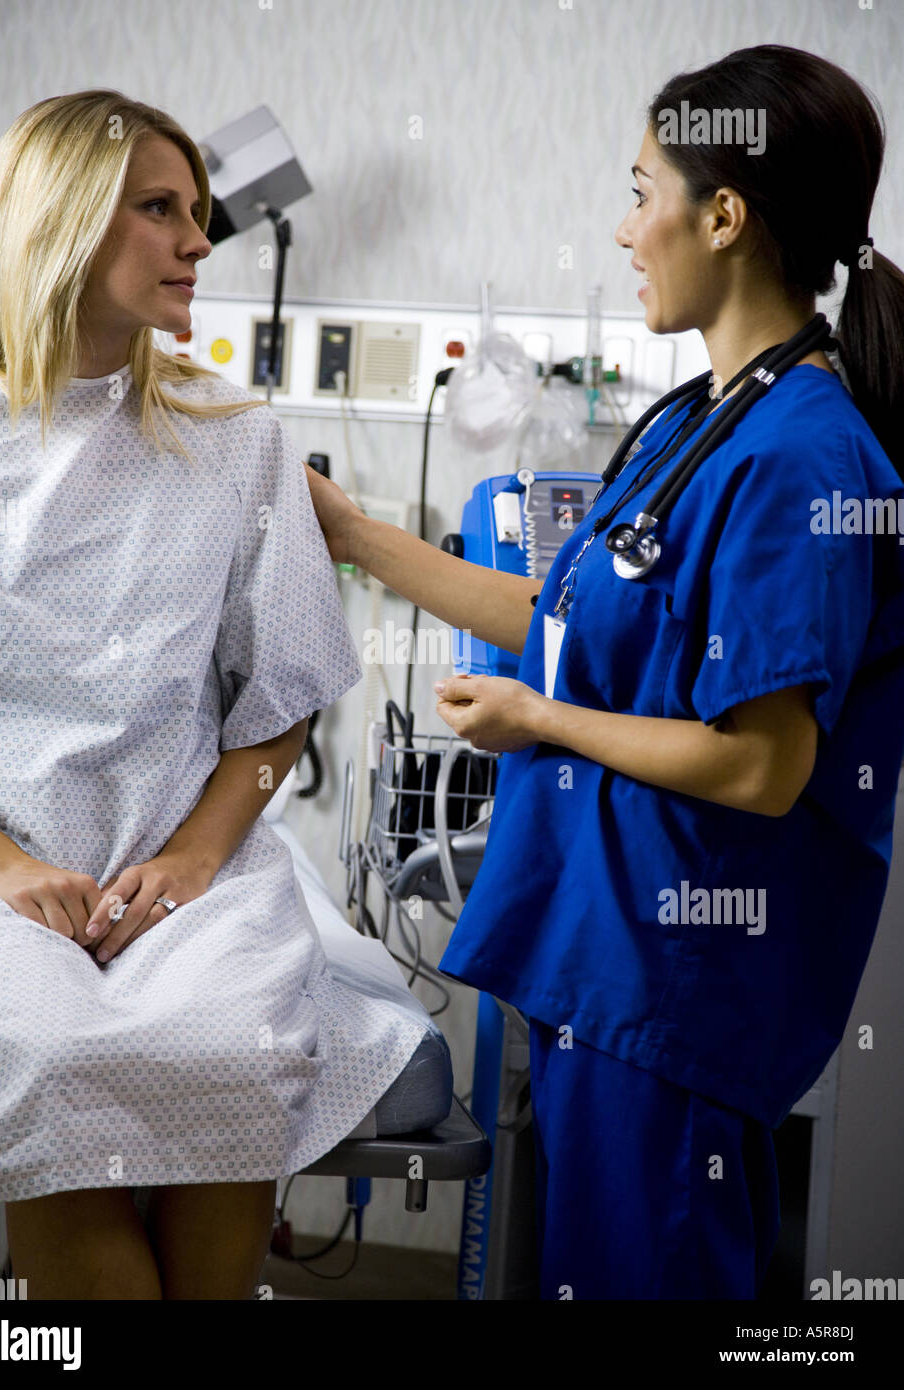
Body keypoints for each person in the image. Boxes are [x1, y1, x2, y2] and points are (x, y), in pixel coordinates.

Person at [304, 44, 904, 1299]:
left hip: (676, 991)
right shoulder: (697, 418)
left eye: (640, 191)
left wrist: (544, 722)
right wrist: (355, 539)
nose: (623, 229)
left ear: (722, 215)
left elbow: (761, 762)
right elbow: (561, 610)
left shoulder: (798, 457)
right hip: (609, 960)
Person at [0, 90, 427, 1300]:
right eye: (162, 210)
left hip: (189, 862)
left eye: (199, 212)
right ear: (60, 218)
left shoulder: (238, 440)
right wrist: (3, 869)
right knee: (48, 1052)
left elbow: (280, 705)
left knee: (227, 1041)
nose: (201, 242)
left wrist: (199, 858)